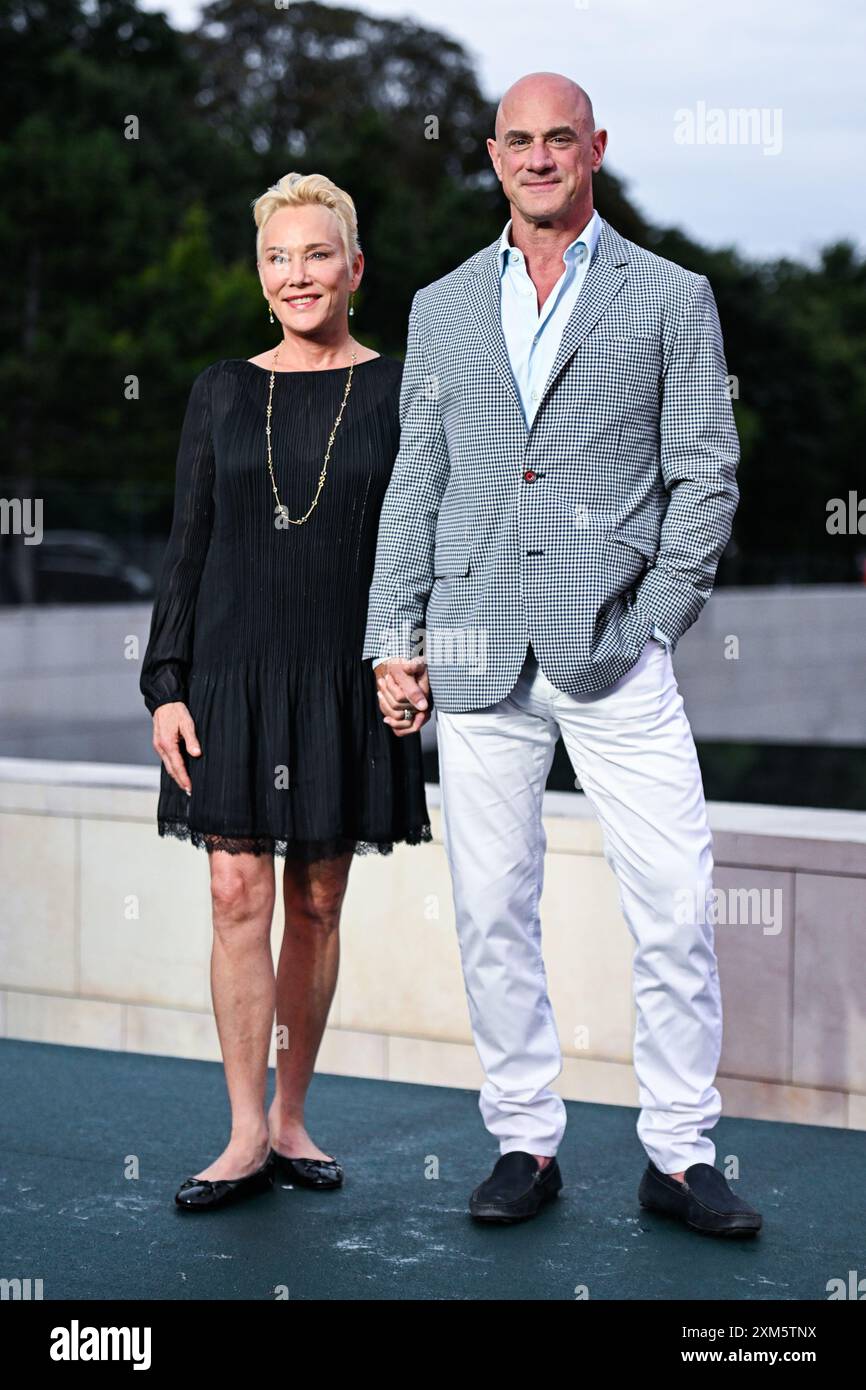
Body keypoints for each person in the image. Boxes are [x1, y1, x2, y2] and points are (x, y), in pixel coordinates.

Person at [364, 73, 762, 1236]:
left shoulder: (670, 295)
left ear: (594, 148)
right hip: (474, 645)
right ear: (493, 156)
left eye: (559, 139)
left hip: (614, 649)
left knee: (675, 906)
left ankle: (678, 1155)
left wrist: (655, 620)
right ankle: (523, 1142)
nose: (538, 157)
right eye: (518, 141)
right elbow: (417, 477)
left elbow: (704, 474)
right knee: (490, 910)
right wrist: (394, 637)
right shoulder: (441, 304)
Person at [140, 171, 432, 1211]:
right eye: (277, 257)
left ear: (355, 268)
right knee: (234, 895)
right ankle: (242, 1131)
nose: (297, 273)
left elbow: (424, 540)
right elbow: (188, 544)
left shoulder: (401, 388)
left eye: (316, 254)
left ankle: (293, 1117)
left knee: (316, 899)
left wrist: (410, 652)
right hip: (229, 679)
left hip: (341, 679)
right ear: (260, 276)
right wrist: (165, 683)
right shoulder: (221, 389)